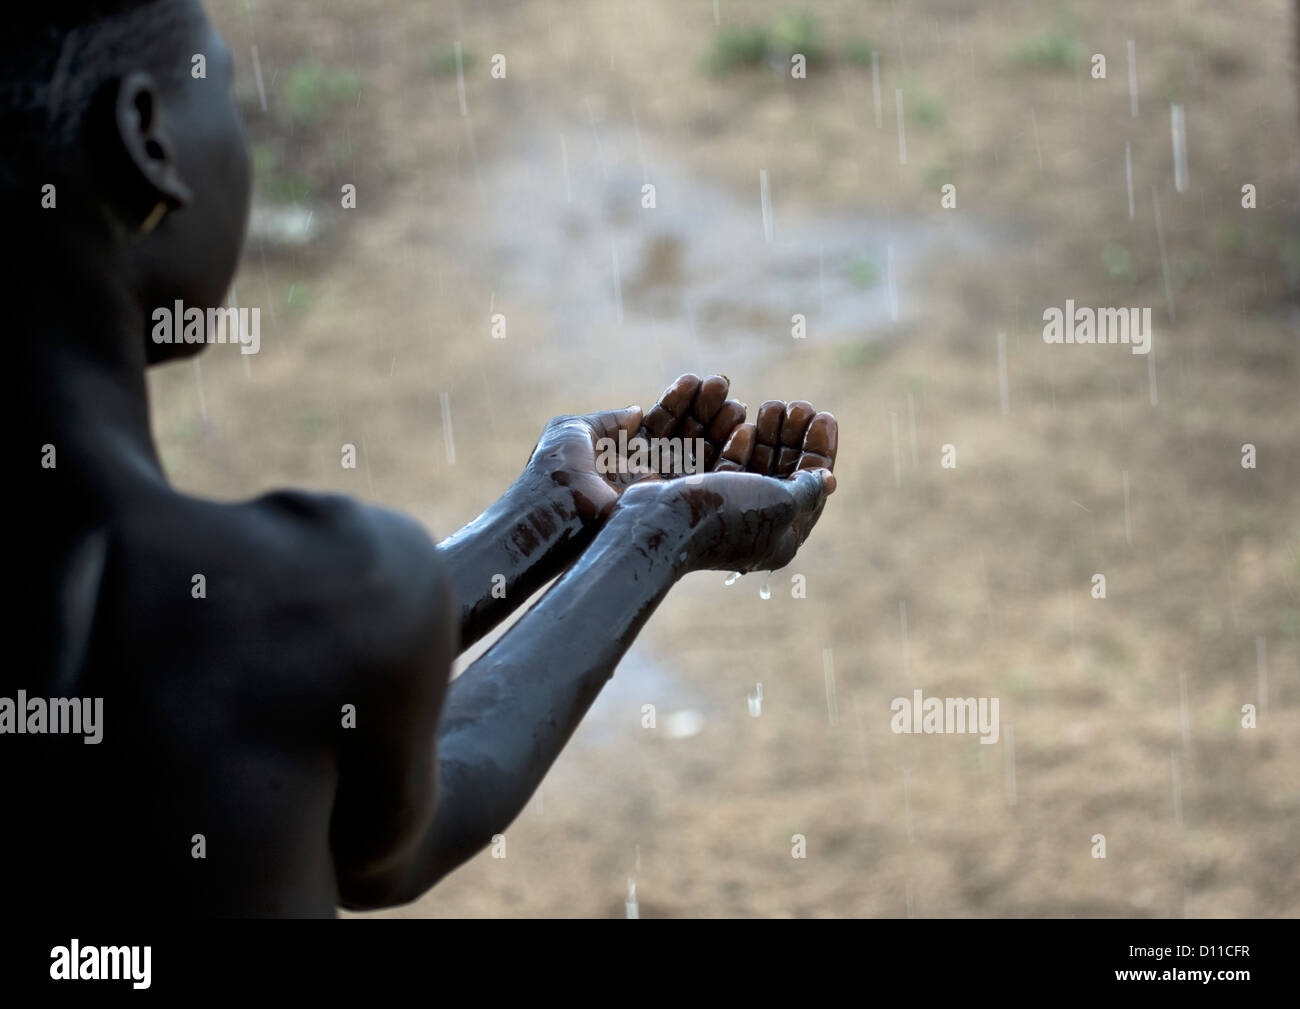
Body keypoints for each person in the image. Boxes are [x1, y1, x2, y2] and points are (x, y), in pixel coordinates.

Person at [5, 0, 838, 916]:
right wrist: (661, 535)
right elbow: (385, 837)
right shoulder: (299, 593)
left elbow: (276, 680)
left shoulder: (242, 617)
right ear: (146, 140)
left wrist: (547, 514)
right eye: (222, 89)